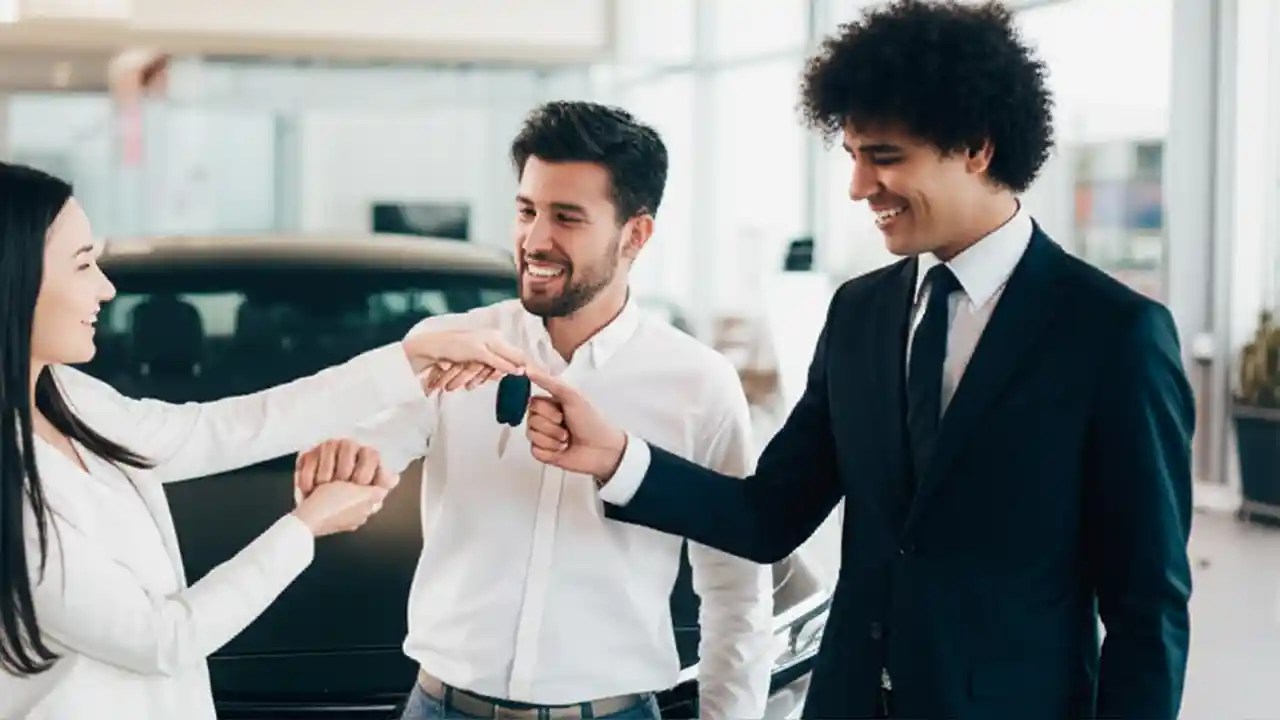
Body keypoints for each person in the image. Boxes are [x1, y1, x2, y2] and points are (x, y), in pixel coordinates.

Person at [523, 2, 1196, 719]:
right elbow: (770, 516)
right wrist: (616, 458)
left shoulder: (1112, 334)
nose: (858, 187)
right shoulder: (860, 313)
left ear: (976, 146)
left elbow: (1146, 610)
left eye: (885, 157)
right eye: (852, 155)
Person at [294, 101, 775, 720]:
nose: (534, 240)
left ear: (636, 234)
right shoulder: (453, 343)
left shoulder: (698, 384)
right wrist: (341, 458)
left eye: (567, 218)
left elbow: (737, 587)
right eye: (527, 211)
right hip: (441, 708)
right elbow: (371, 446)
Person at [0, 161, 530, 720]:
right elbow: (165, 639)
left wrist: (408, 360)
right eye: (83, 265)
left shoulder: (68, 397)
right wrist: (306, 526)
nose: (105, 287)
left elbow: (221, 429)